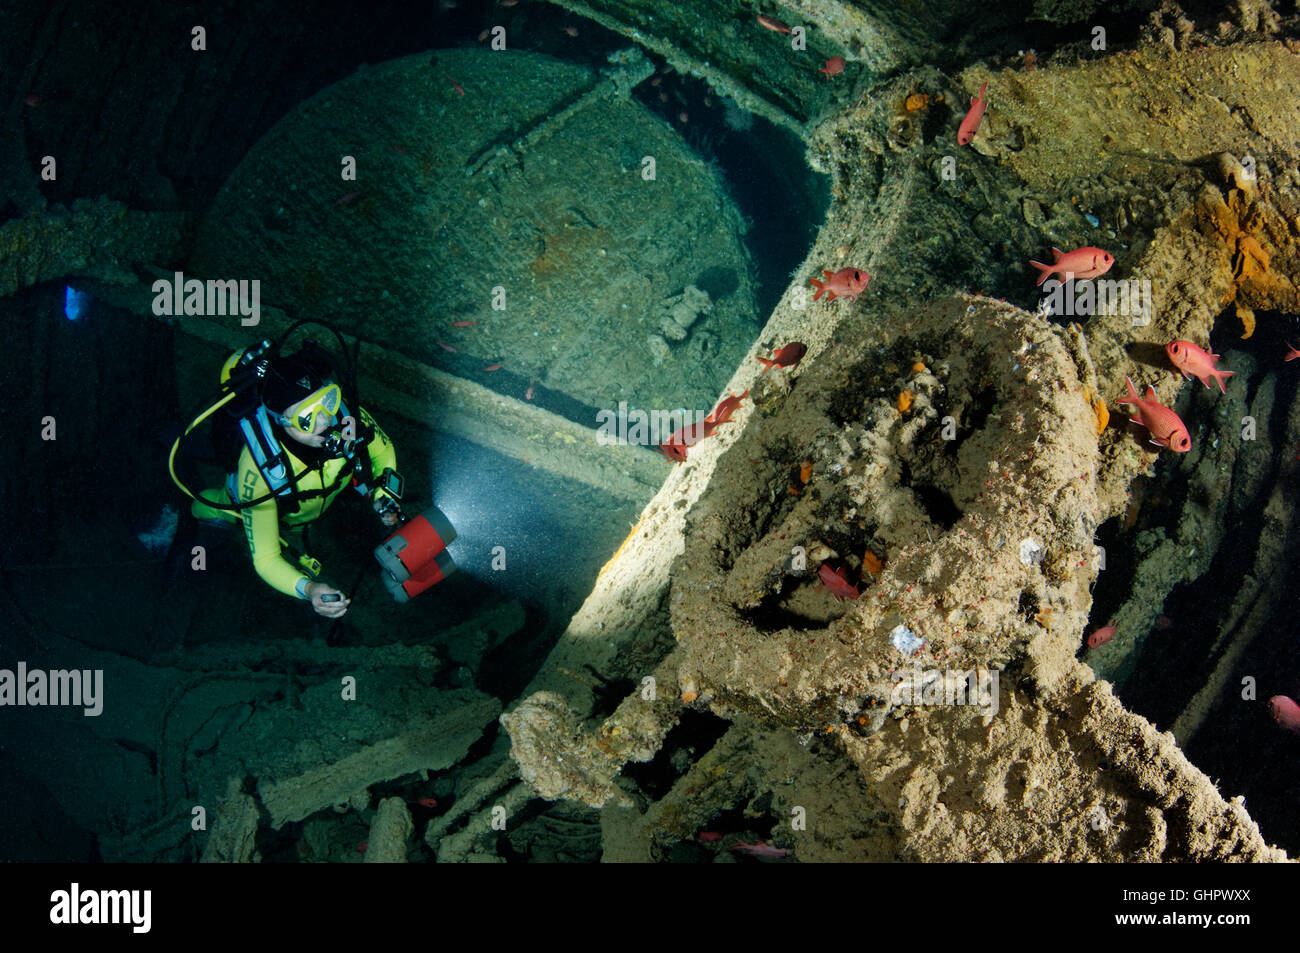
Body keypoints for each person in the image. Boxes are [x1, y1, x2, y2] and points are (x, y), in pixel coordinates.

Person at [189, 346, 400, 618]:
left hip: (322, 500)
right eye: (305, 418)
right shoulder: (258, 471)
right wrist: (309, 589)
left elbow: (383, 451)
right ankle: (184, 516)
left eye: (326, 401)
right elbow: (266, 559)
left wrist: (385, 494)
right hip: (265, 515)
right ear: (280, 422)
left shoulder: (345, 417)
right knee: (212, 507)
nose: (324, 420)